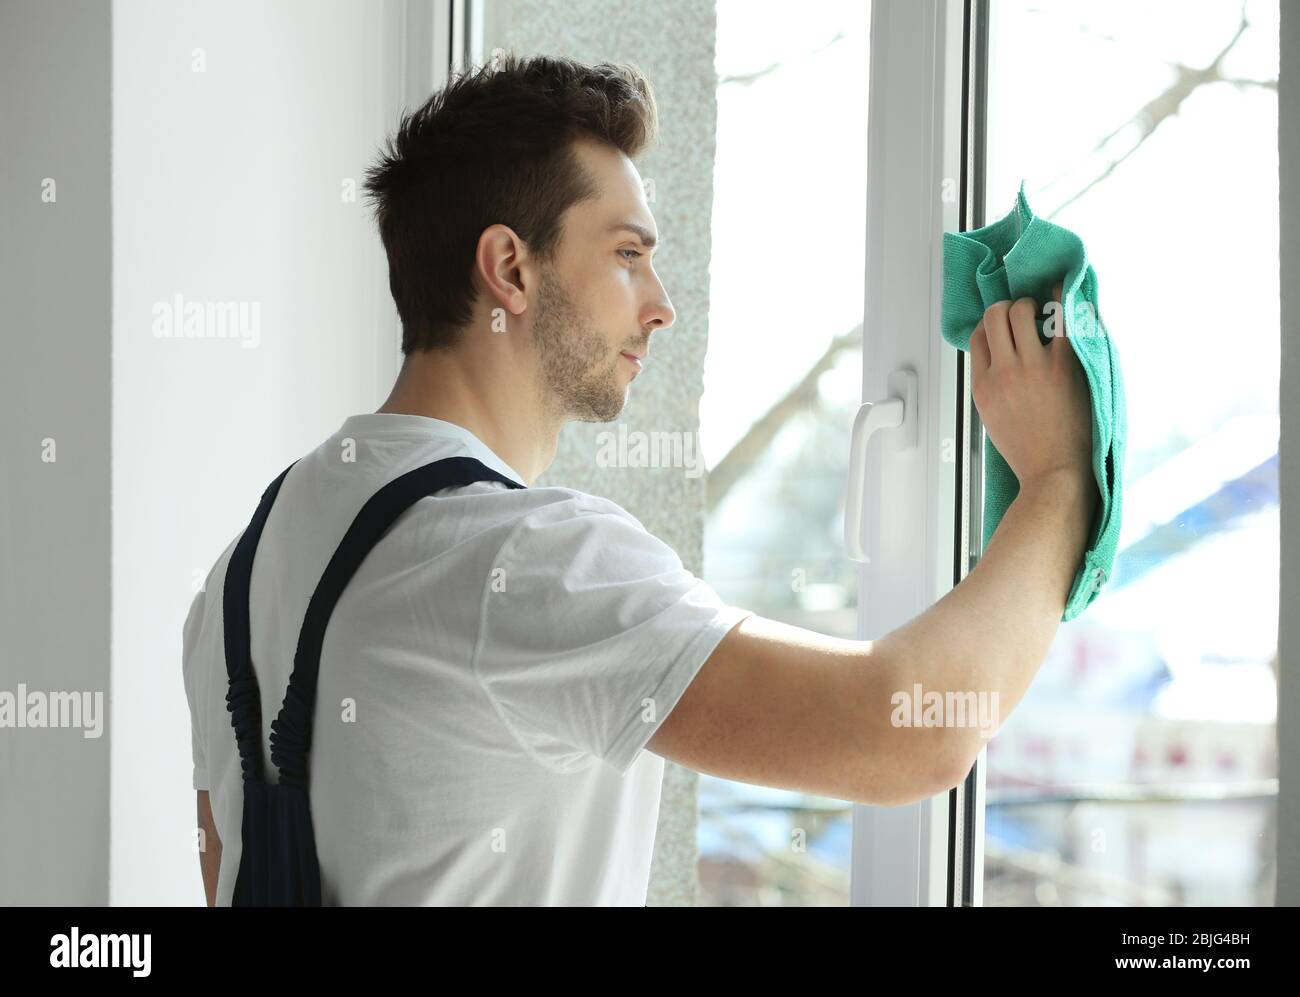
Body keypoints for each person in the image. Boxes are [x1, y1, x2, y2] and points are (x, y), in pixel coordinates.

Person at [183, 52, 1097, 906]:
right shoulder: (525, 557)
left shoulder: (239, 573)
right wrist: (1058, 481)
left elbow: (225, 868)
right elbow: (911, 727)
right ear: (509, 268)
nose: (659, 305)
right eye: (627, 254)